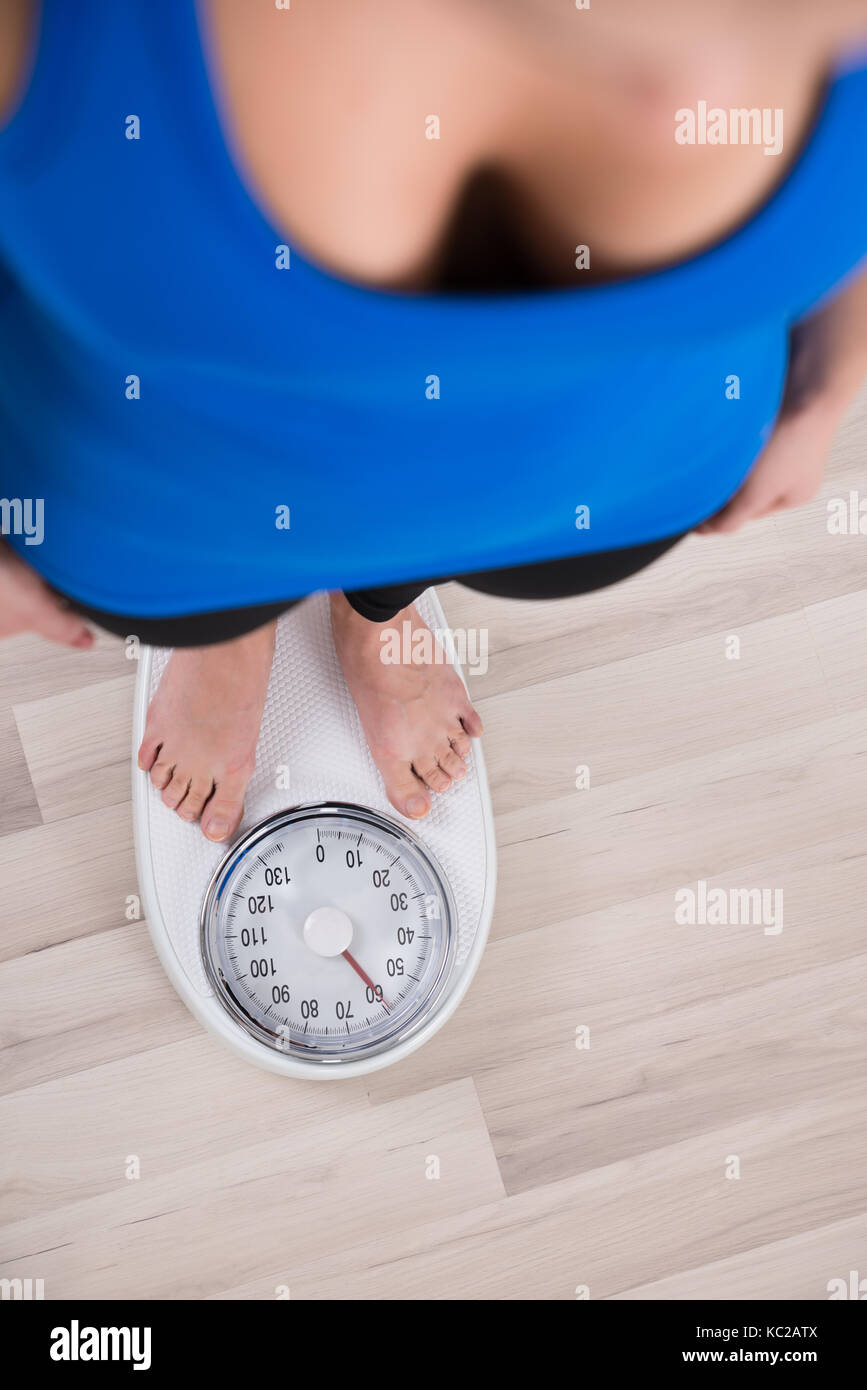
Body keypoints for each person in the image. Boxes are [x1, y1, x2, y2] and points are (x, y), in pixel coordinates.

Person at [2, 0, 866, 844]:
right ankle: (230, 640)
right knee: (213, 602)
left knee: (407, 554)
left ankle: (378, 616)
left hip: (602, 486)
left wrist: (832, 382)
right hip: (179, 516)